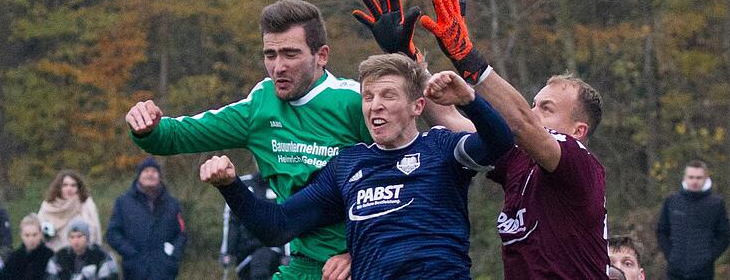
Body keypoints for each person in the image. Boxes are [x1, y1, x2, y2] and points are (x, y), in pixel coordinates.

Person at [126, 0, 472, 280]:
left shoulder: (354, 102)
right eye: (270, 55)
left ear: (321, 56)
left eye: (290, 54)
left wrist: (358, 253)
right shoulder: (259, 107)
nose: (278, 67)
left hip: (364, 262)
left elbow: (412, 175)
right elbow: (175, 137)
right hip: (304, 262)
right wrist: (147, 126)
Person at [201, 53, 515, 279]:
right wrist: (230, 185)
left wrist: (469, 100)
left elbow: (499, 142)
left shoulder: (441, 147)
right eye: (368, 96)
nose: (375, 104)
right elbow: (278, 226)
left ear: (417, 106)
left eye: (388, 95)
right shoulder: (348, 165)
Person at [417, 0, 609, 278]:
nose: (534, 113)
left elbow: (522, 123)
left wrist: (469, 60)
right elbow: (452, 123)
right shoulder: (519, 159)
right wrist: (414, 65)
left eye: (546, 108)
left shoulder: (580, 164)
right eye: (533, 104)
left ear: (578, 130)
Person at [106, 157, 187, 280]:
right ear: (139, 175)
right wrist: (130, 253)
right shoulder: (123, 202)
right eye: (146, 171)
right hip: (133, 271)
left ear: (159, 176)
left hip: (164, 272)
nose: (150, 174)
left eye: (154, 171)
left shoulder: (172, 204)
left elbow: (181, 234)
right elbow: (112, 233)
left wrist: (172, 254)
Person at [656, 160, 729, 280]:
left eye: (699, 177)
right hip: (674, 271)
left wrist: (708, 257)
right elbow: (662, 231)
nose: (694, 181)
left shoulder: (716, 203)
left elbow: (724, 236)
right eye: (691, 177)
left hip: (703, 272)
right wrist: (671, 255)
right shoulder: (672, 201)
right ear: (685, 178)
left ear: (706, 178)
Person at [220, 172, 287, 280]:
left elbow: (289, 220)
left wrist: (287, 253)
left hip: (274, 251)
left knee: (261, 264)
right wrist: (227, 252)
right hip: (245, 253)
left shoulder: (282, 185)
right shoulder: (242, 183)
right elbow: (232, 222)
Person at [38, 170, 103, 251]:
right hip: (55, 256)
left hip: (84, 256)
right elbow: (39, 235)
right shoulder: (48, 207)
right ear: (59, 187)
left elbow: (96, 231)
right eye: (65, 185)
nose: (69, 189)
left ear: (78, 188)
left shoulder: (86, 204)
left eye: (73, 185)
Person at [46, 218, 118, 280]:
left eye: (79, 236)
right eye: (72, 237)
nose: (76, 241)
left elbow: (111, 276)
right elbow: (50, 276)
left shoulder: (101, 256)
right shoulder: (60, 256)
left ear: (87, 237)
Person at [2, 213, 54, 279]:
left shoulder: (49, 256)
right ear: (21, 235)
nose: (31, 239)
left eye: (34, 235)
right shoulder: (14, 258)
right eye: (27, 235)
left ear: (40, 234)